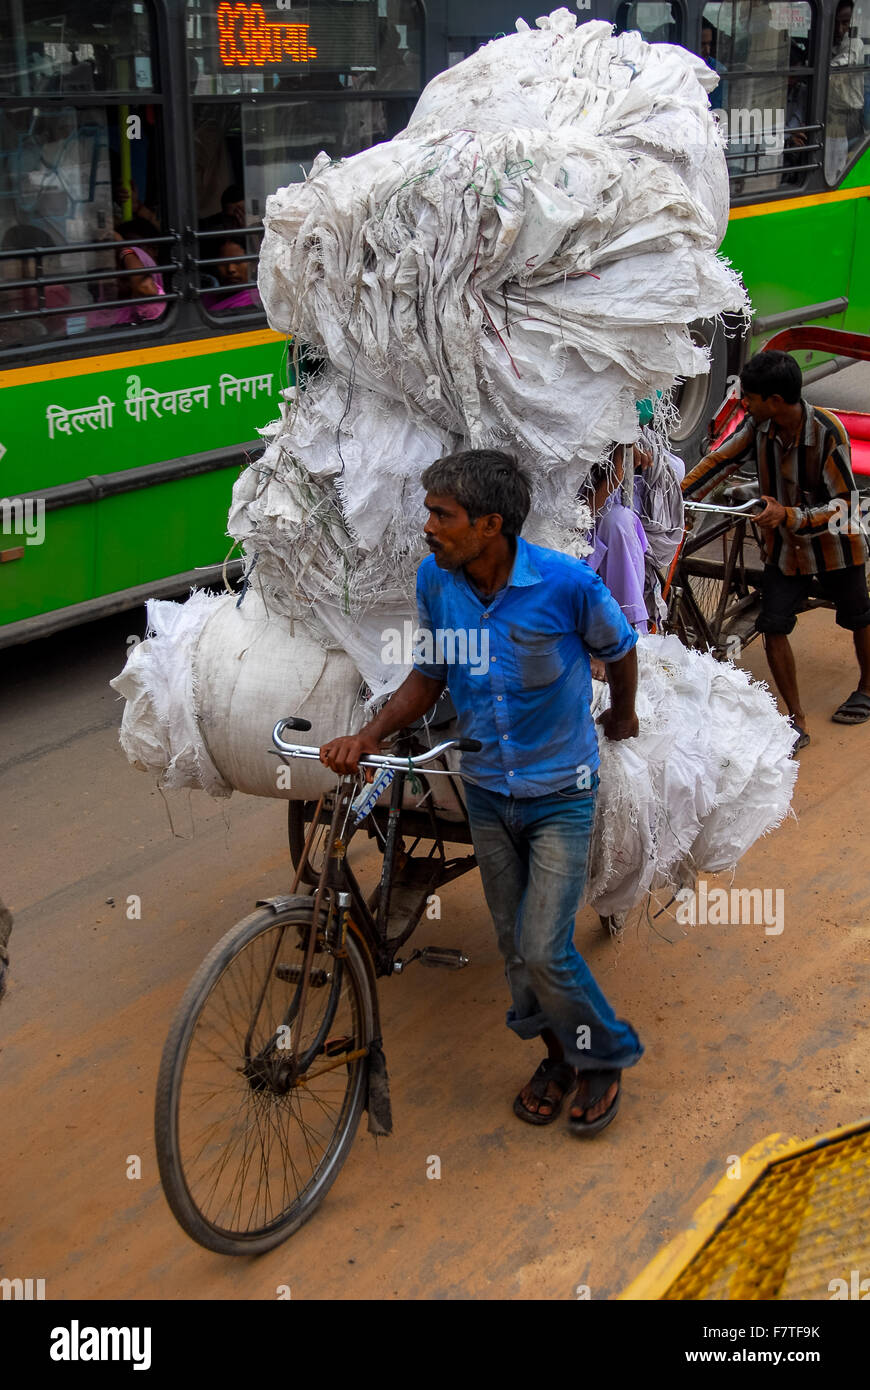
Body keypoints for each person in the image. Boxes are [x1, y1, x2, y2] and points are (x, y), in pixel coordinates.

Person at [320, 449, 644, 1135]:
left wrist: (622, 715)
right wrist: (370, 734)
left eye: (444, 515)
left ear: (491, 525)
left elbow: (618, 648)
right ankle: (559, 1055)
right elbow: (428, 676)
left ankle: (602, 1054)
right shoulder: (438, 584)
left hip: (561, 790)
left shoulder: (564, 584)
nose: (428, 526)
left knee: (545, 946)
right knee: (515, 949)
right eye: (430, 512)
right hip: (490, 792)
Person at [681, 351, 870, 747]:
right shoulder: (758, 425)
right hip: (786, 551)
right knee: (772, 624)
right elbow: (720, 461)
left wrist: (789, 516)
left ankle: (867, 687)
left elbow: (843, 506)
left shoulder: (826, 432)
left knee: (857, 617)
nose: (744, 403)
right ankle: (795, 719)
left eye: (750, 397)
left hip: (837, 544)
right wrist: (677, 497)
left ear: (776, 401)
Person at [88, 219, 166, 328]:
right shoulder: (97, 312)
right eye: (110, 274)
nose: (113, 282)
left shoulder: (147, 309)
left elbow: (143, 287)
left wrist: (123, 247)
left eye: (124, 278)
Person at [826, 0, 866, 182]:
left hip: (848, 118)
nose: (841, 29)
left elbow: (841, 64)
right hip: (830, 113)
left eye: (846, 23)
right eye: (837, 23)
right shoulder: (830, 43)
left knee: (836, 170)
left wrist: (818, 71)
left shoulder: (853, 43)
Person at [208, 235, 260, 313]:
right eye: (223, 263)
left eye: (238, 262)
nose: (230, 269)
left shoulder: (255, 301)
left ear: (253, 265)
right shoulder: (208, 296)